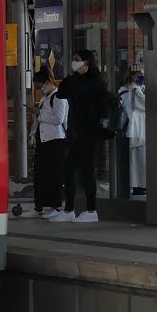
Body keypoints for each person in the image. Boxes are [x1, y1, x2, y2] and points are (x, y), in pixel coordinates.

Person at [50, 49, 109, 222]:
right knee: (70, 170)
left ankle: (91, 211)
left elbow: (102, 106)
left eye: (77, 60)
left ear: (87, 62)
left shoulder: (95, 82)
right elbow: (62, 92)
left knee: (86, 170)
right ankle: (70, 209)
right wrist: (72, 76)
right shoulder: (76, 80)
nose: (73, 62)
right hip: (77, 132)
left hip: (89, 132)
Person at [31, 69, 68, 218]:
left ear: (47, 82)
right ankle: (39, 205)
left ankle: (55, 206)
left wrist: (40, 114)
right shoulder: (45, 99)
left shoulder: (59, 97)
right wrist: (32, 134)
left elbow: (58, 119)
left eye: (40, 86)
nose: (39, 89)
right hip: (43, 139)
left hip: (55, 140)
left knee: (54, 175)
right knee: (40, 174)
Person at [118, 70, 146, 196]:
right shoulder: (134, 92)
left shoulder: (123, 91)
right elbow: (145, 104)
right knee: (139, 159)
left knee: (135, 160)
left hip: (131, 129)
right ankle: (139, 185)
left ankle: (137, 185)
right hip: (137, 129)